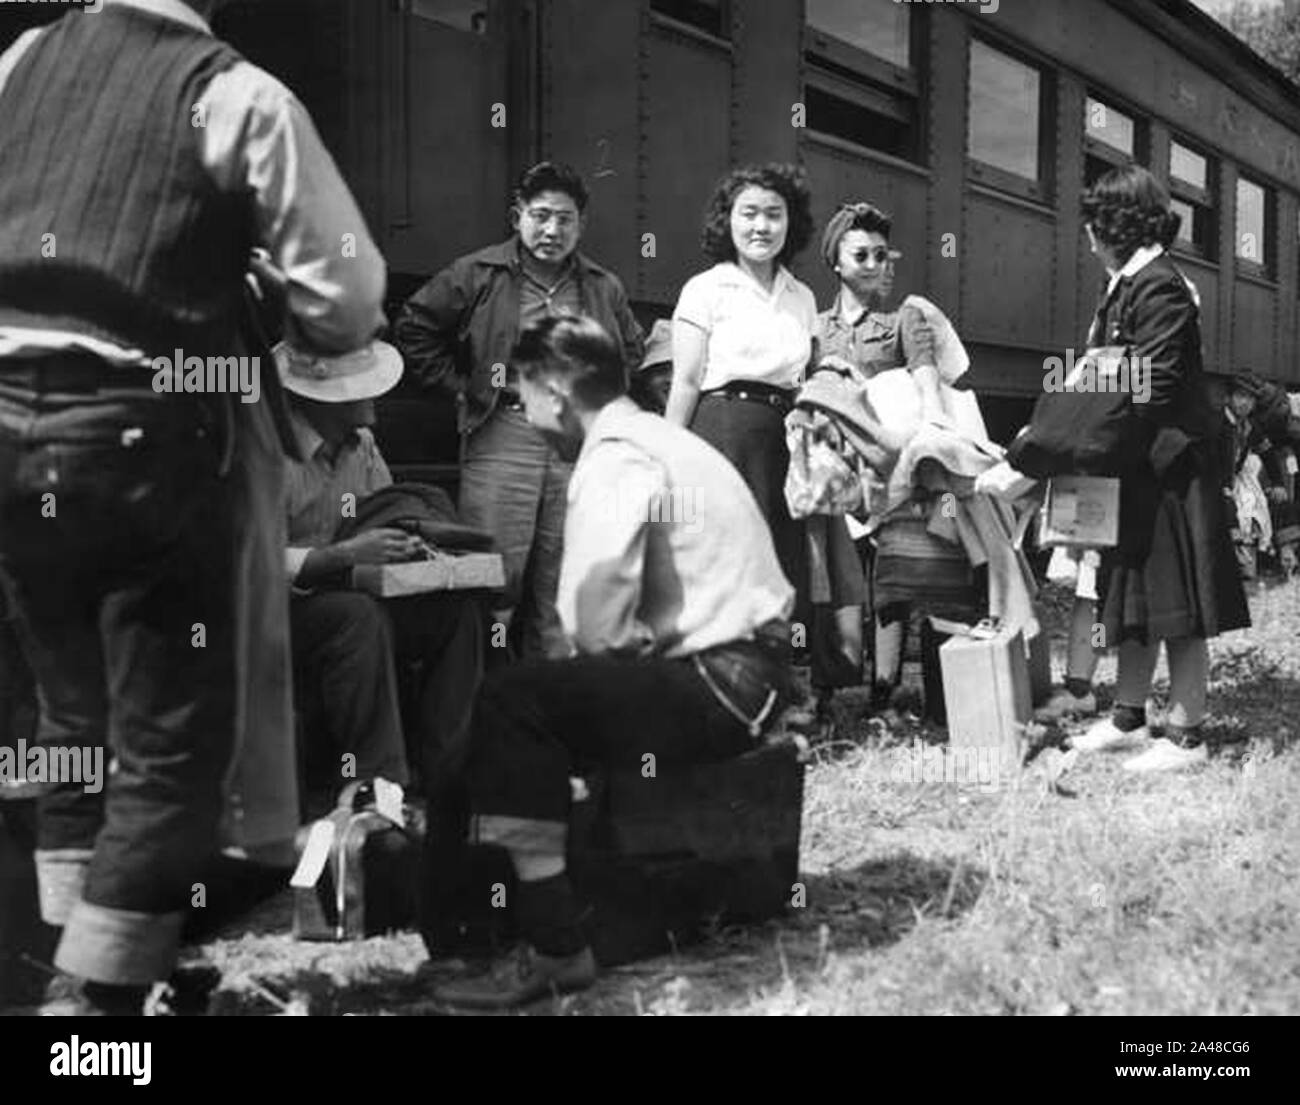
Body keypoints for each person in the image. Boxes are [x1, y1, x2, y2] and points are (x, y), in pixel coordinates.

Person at [0, 0, 386, 1014]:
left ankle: (67, 949)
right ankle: (93, 1016)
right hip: (137, 439)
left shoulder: (26, 59)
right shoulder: (236, 94)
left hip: (6, 436)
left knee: (72, 717)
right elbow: (346, 297)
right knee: (171, 745)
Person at [433, 315, 795, 1009]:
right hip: (751, 678)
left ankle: (555, 947)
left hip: (725, 680)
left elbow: (592, 618)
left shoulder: (617, 453)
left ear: (554, 390)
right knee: (479, 745)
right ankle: (466, 930)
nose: (529, 420)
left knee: (511, 701)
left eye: (524, 400)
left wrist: (570, 724)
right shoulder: (660, 436)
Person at [394, 162, 644, 661]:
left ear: (581, 226)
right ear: (517, 217)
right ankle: (484, 701)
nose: (552, 230)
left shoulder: (601, 285)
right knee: (494, 575)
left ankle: (547, 706)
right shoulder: (478, 273)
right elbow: (415, 327)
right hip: (504, 429)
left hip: (575, 443)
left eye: (565, 220)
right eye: (541, 216)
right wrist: (463, 389)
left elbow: (631, 350)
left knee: (564, 576)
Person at [1068, 166, 1249, 771]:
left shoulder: (1160, 285)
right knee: (1135, 596)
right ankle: (1129, 716)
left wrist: (1087, 406)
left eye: (1095, 221)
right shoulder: (1128, 284)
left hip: (1172, 465)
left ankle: (1188, 732)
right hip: (1141, 464)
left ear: (1115, 225)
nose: (1088, 233)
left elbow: (1157, 380)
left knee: (1179, 602)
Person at [278, 341, 484, 813]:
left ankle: (451, 781)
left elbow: (383, 510)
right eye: (360, 387)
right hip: (276, 610)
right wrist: (341, 555)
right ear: (321, 400)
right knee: (355, 615)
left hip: (352, 588)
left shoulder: (362, 446)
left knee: (457, 611)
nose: (374, 395)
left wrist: (408, 545)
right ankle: (380, 785)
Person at [814, 201, 977, 714]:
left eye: (881, 255)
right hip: (838, 466)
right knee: (842, 577)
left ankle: (905, 693)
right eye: (860, 254)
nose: (873, 264)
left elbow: (927, 373)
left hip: (893, 466)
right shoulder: (817, 327)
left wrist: (932, 429)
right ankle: (841, 687)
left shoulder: (906, 316)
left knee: (902, 573)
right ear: (836, 262)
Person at [665, 163, 818, 614]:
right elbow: (686, 380)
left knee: (777, 566)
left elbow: (803, 378)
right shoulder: (706, 289)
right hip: (723, 434)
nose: (761, 226)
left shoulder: (803, 296)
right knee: (723, 562)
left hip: (784, 444)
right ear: (727, 220)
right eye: (749, 213)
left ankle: (770, 674)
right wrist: (669, 456)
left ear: (791, 224)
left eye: (774, 214)